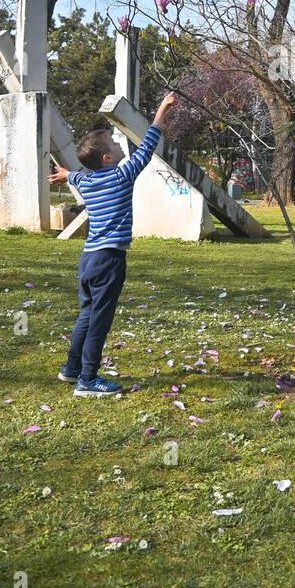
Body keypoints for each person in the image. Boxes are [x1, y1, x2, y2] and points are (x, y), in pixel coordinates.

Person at [48, 91, 179, 398]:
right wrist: (161, 110)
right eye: (114, 144)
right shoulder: (121, 177)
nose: (121, 145)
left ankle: (71, 369)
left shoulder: (86, 180)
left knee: (86, 313)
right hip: (108, 261)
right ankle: (88, 379)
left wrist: (66, 174)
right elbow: (147, 147)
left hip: (88, 259)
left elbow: (75, 176)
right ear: (107, 158)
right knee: (100, 320)